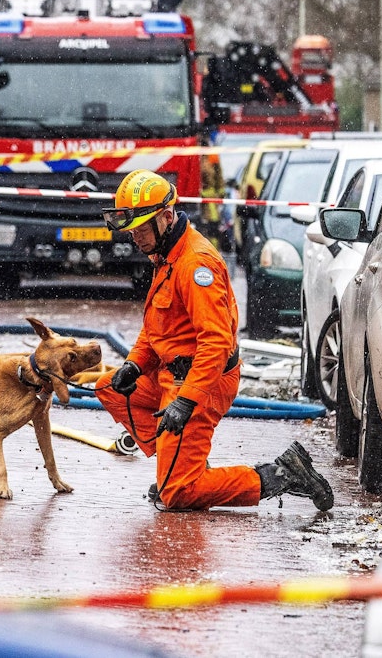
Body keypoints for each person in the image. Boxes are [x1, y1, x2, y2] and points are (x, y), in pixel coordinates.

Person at [95, 170, 333, 512]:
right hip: (171, 375)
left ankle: (281, 474)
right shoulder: (165, 254)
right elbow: (159, 327)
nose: (135, 238)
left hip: (201, 381)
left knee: (177, 496)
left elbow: (216, 344)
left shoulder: (194, 265)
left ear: (165, 217)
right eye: (132, 230)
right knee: (112, 389)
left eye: (141, 229)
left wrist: (186, 401)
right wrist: (135, 363)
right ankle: (179, 469)